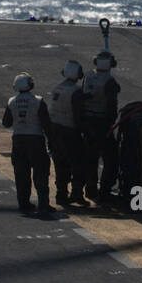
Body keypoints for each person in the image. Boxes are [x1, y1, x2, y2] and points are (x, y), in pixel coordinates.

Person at [1, 73, 53, 217]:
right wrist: (52, 141)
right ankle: (43, 204)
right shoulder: (38, 101)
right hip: (35, 139)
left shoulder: (11, 101)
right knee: (40, 173)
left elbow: (6, 123)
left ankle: (24, 203)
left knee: (21, 174)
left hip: (18, 140)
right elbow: (46, 124)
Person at [80, 50, 121, 202]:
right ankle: (105, 189)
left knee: (91, 157)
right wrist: (111, 123)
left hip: (87, 120)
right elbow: (111, 105)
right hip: (102, 122)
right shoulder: (109, 82)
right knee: (111, 158)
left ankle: (90, 188)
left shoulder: (88, 76)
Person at [46, 60, 87, 206]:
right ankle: (77, 193)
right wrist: (84, 131)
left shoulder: (57, 87)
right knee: (78, 163)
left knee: (60, 164)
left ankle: (61, 194)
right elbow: (78, 116)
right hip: (70, 131)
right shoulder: (76, 92)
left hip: (55, 130)